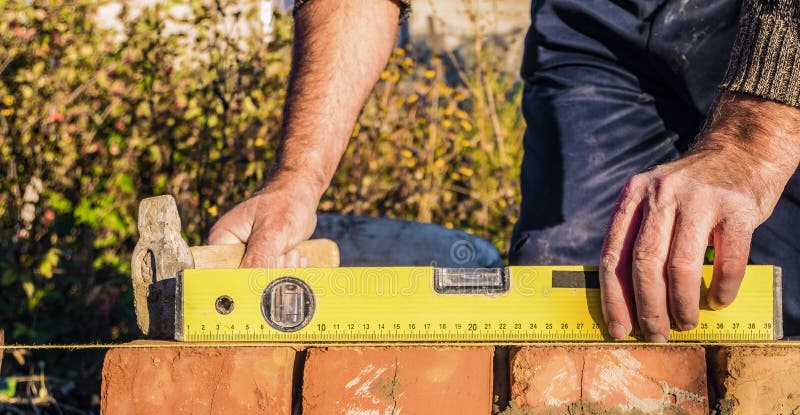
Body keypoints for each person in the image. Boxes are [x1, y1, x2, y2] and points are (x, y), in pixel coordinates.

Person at [208, 0, 800, 340]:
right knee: (563, 295)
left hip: (769, 22)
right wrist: (296, 179)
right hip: (597, 27)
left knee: (772, 300)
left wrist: (752, 145)